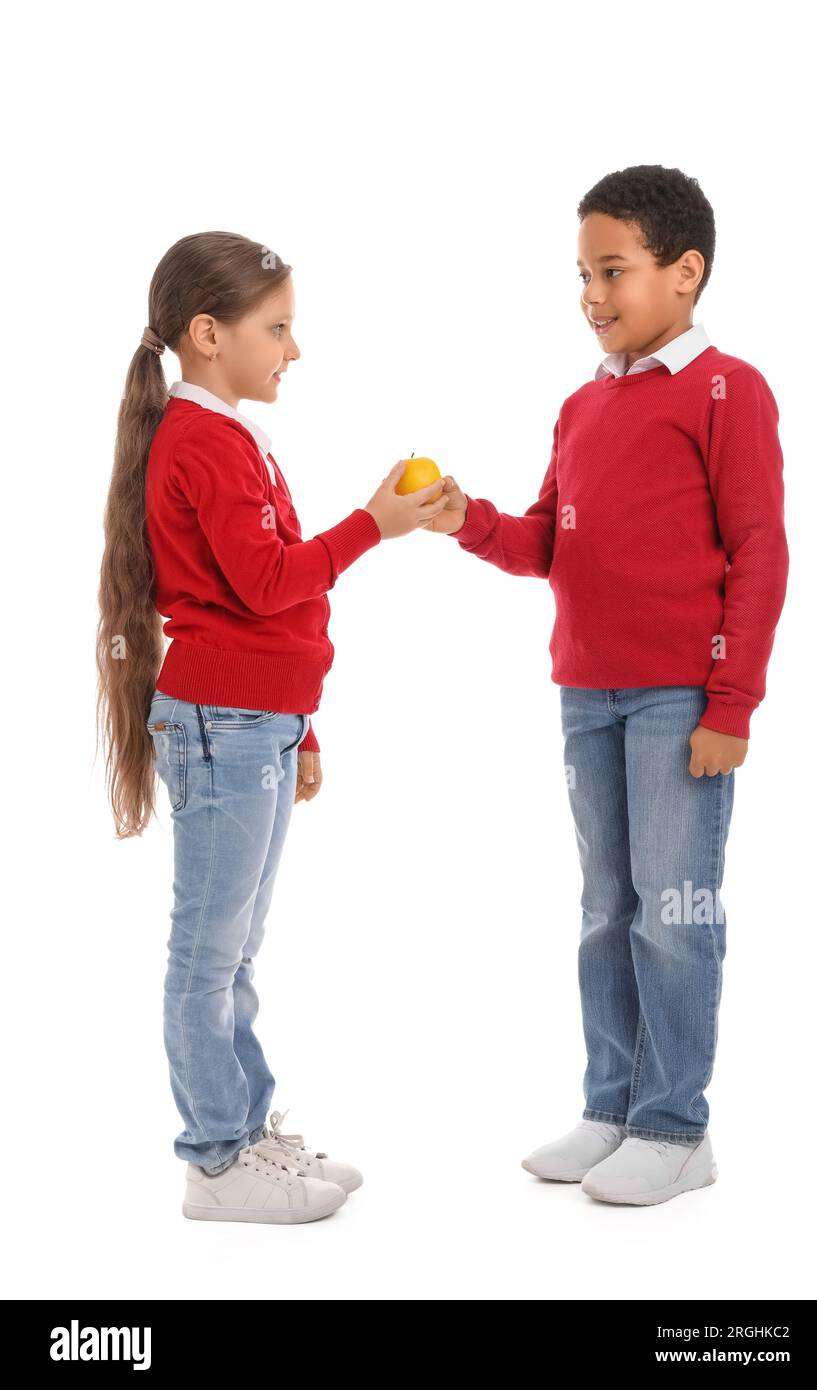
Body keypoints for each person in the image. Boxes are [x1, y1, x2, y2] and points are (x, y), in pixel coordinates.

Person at [423, 165, 790, 1206]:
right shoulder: (582, 404)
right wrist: (468, 520)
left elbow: (760, 552)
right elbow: (548, 540)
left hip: (680, 699)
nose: (591, 294)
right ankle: (614, 1106)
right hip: (587, 693)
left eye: (613, 271)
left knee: (675, 911)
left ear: (686, 273)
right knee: (607, 909)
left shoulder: (730, 390)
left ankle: (677, 1127)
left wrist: (732, 704)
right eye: (582, 273)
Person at [95, 230, 455, 1224]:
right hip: (222, 725)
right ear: (209, 335)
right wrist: (371, 524)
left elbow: (270, 611)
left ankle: (244, 1133)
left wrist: (302, 726)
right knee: (208, 951)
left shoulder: (226, 435)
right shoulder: (203, 441)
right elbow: (265, 585)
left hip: (253, 723)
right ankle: (215, 1160)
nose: (294, 350)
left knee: (238, 944)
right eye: (280, 328)